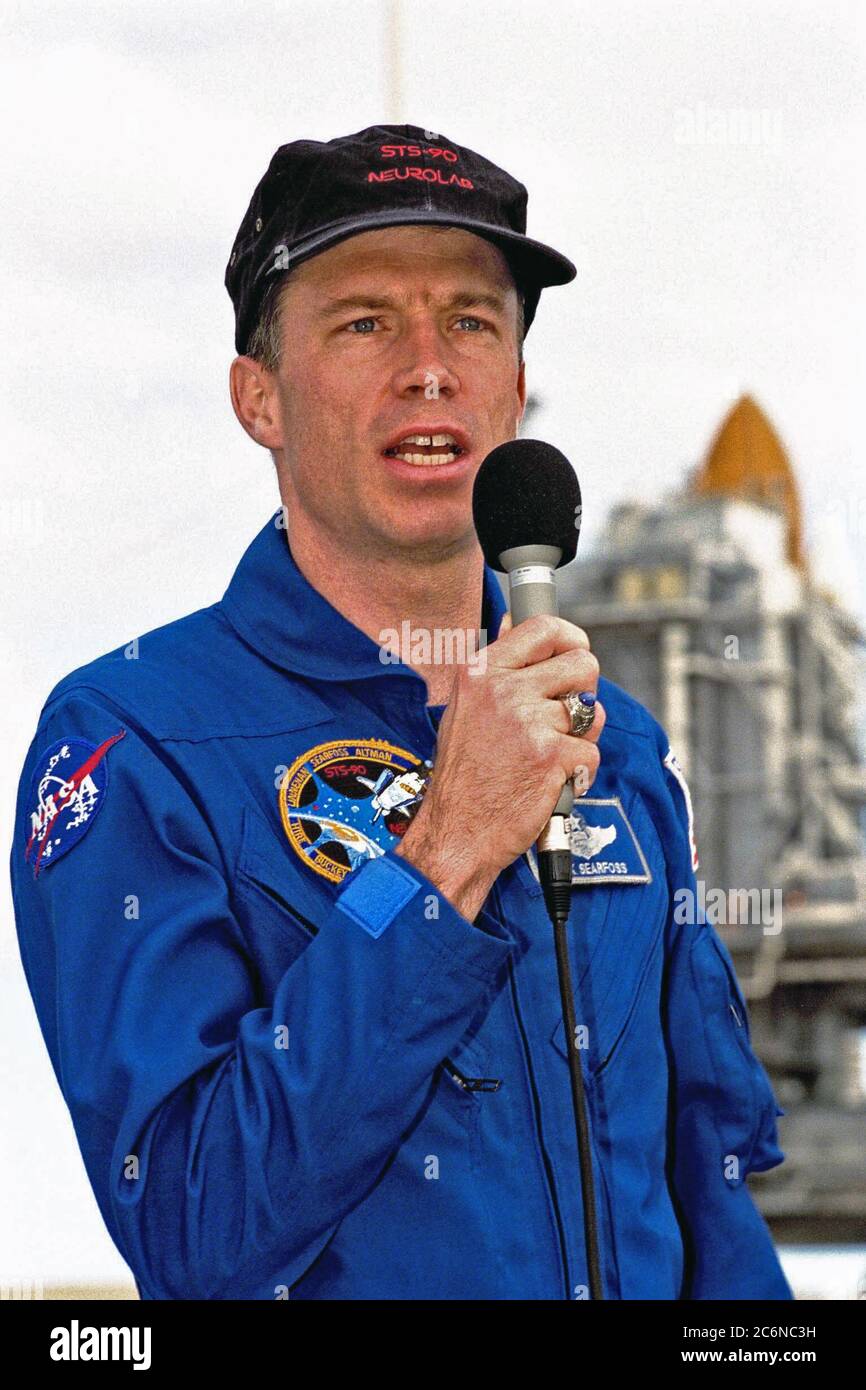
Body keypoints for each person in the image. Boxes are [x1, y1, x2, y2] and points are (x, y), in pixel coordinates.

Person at [9, 123, 793, 1300]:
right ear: (258, 397)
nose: (428, 366)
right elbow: (196, 1228)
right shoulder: (132, 744)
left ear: (516, 388)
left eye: (470, 321)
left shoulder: (614, 744)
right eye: (365, 321)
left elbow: (709, 1203)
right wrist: (442, 857)